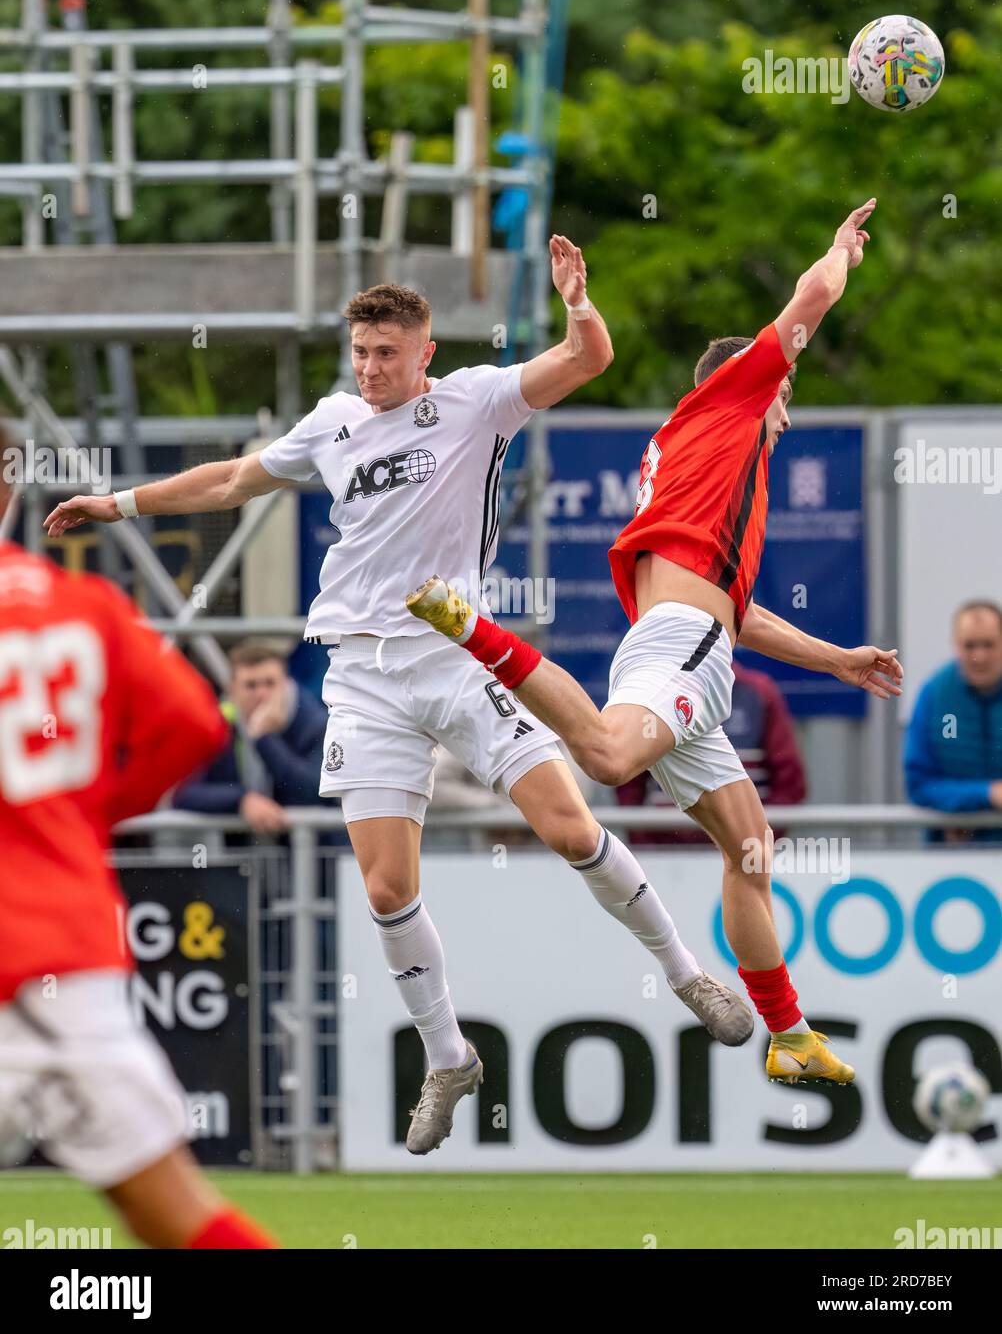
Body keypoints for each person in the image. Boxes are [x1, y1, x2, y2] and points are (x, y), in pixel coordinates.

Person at [44, 236, 752, 1160]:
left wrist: (579, 303)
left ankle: (688, 973)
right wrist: (120, 503)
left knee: (571, 829)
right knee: (385, 886)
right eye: (362, 352)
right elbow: (229, 479)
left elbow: (589, 361)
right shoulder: (334, 424)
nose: (371, 368)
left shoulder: (475, 402)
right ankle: (447, 1055)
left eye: (388, 353)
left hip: (458, 655)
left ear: (426, 354)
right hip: (363, 674)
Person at [409, 199, 904, 1087]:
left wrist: (838, 658)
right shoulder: (732, 405)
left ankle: (788, 1037)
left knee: (751, 849)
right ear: (756, 383)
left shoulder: (696, 460)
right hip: (680, 648)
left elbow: (733, 612)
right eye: (783, 392)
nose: (785, 412)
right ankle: (471, 625)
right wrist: (838, 253)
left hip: (692, 644)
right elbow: (809, 304)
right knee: (604, 755)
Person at [0, 430, 276, 1248]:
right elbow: (195, 723)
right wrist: (91, 818)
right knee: (178, 1216)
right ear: (8, 493)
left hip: (37, 956)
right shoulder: (83, 607)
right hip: (60, 950)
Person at [616, 658, 807, 846]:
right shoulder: (655, 696)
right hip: (671, 848)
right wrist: (647, 842)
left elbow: (789, 781)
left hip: (742, 846)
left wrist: (756, 841)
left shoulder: (759, 692)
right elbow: (630, 779)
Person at [173, 639, 335, 838]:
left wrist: (264, 738)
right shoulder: (219, 725)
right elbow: (183, 793)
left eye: (270, 683)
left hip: (309, 854)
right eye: (251, 685)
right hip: (244, 856)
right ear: (232, 691)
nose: (262, 694)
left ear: (287, 684)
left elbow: (314, 791)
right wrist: (242, 800)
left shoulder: (314, 723)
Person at [905, 600, 1002, 844]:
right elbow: (919, 785)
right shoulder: (935, 694)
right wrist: (987, 795)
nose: (979, 655)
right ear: (955, 645)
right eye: (970, 645)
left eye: (988, 644)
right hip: (951, 862)